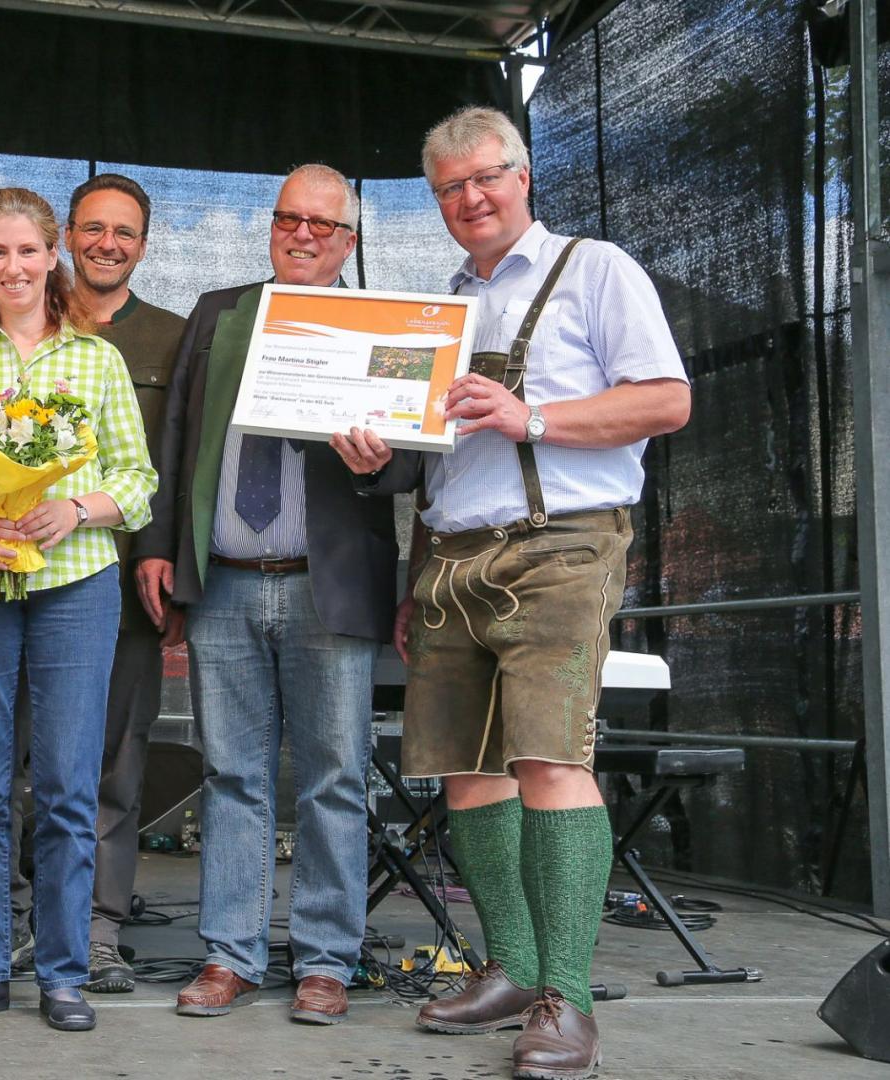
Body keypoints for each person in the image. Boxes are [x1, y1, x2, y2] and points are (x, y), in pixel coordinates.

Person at [333, 106, 690, 1080]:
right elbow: (433, 463)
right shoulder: (439, 311)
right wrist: (378, 469)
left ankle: (567, 1002)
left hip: (560, 544)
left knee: (548, 759)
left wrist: (531, 416)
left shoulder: (596, 269)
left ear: (523, 176)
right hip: (450, 555)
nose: (470, 198)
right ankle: (513, 966)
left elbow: (667, 400)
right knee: (463, 770)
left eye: (485, 177)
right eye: (449, 187)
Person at [133, 164, 418, 1026]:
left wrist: (381, 462)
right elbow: (174, 435)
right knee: (232, 775)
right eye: (289, 218)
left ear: (348, 242)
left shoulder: (383, 325)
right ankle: (230, 954)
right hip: (223, 582)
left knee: (334, 778)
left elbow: (414, 458)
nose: (301, 234)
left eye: (321, 225)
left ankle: (327, 961)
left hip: (328, 588)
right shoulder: (219, 313)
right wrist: (158, 548)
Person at [0, 186, 156, 1032]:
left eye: (28, 251)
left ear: (54, 257)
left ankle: (63, 974)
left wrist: (76, 509)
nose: (14, 267)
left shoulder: (97, 359)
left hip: (74, 584)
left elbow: (137, 481)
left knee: (68, 786)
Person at [62, 174, 187, 992]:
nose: (108, 244)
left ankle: (98, 929)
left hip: (124, 592)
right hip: (22, 585)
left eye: (125, 232)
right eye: (94, 228)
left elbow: (178, 463)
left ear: (143, 245)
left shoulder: (173, 339)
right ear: (68, 235)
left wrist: (166, 557)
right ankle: (20, 918)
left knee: (115, 764)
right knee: (21, 765)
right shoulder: (25, 320)